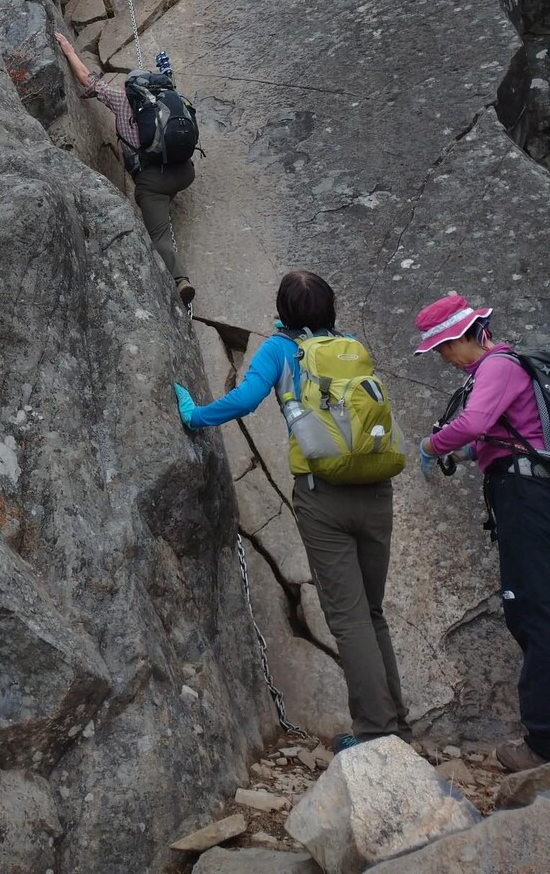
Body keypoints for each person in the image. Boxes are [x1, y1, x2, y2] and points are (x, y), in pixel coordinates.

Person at [176, 270, 410, 749]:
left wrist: (194, 416)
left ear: (282, 311)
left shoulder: (280, 350)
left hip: (323, 496)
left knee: (348, 617)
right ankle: (397, 725)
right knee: (371, 612)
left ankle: (376, 732)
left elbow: (245, 399)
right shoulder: (350, 346)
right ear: (331, 308)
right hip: (376, 490)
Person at [413, 293, 550, 773]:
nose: (444, 358)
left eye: (445, 347)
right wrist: (470, 452)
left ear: (467, 335)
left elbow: (473, 422)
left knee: (532, 612)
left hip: (524, 497)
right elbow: (511, 432)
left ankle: (542, 743)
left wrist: (432, 444)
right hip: (532, 489)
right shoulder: (509, 366)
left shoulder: (496, 366)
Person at [53, 32, 195, 308]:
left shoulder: (122, 99)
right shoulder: (169, 98)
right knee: (167, 186)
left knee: (159, 235)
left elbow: (86, 80)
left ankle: (180, 280)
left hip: (152, 182)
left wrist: (69, 50)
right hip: (185, 172)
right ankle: (169, 195)